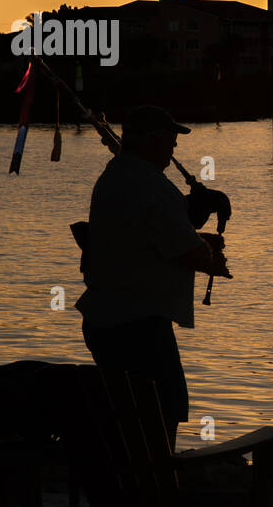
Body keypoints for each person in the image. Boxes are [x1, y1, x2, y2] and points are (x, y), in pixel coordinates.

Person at [75, 105, 226, 450]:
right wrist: (213, 257)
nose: (175, 150)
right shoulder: (152, 186)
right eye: (171, 141)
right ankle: (156, 480)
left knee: (128, 411)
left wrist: (194, 228)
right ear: (153, 140)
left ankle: (129, 480)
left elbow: (151, 236)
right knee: (163, 408)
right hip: (138, 322)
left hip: (107, 318)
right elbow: (185, 251)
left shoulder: (115, 176)